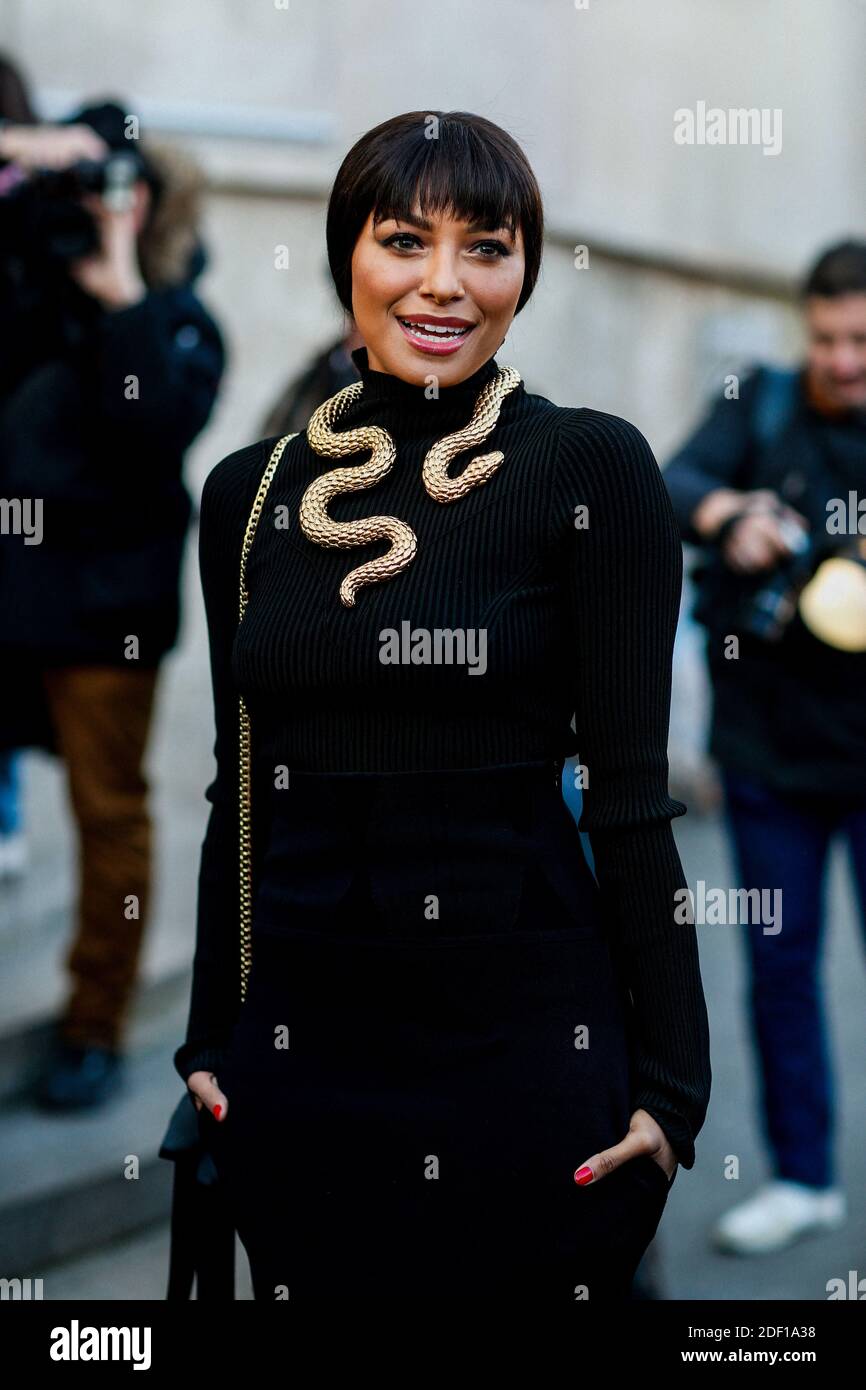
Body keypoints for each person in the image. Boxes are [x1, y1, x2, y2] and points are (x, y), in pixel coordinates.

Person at [173, 109, 711, 1301]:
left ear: (523, 269)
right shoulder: (245, 496)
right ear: (344, 255)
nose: (443, 284)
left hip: (522, 1036)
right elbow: (238, 784)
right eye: (404, 241)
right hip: (305, 1038)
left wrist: (673, 1091)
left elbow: (628, 798)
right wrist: (211, 1039)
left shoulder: (590, 467)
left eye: (488, 246)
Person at [0, 92, 226, 1108]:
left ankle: (94, 1024)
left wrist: (124, 289)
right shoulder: (23, 291)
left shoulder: (178, 324)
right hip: (8, 596)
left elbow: (154, 428)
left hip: (101, 616)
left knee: (108, 819)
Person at [663, 240, 866, 1254]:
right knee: (779, 973)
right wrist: (727, 512)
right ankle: (800, 1179)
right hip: (766, 755)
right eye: (825, 337)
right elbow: (671, 480)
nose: (840, 360)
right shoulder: (762, 400)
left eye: (860, 341)